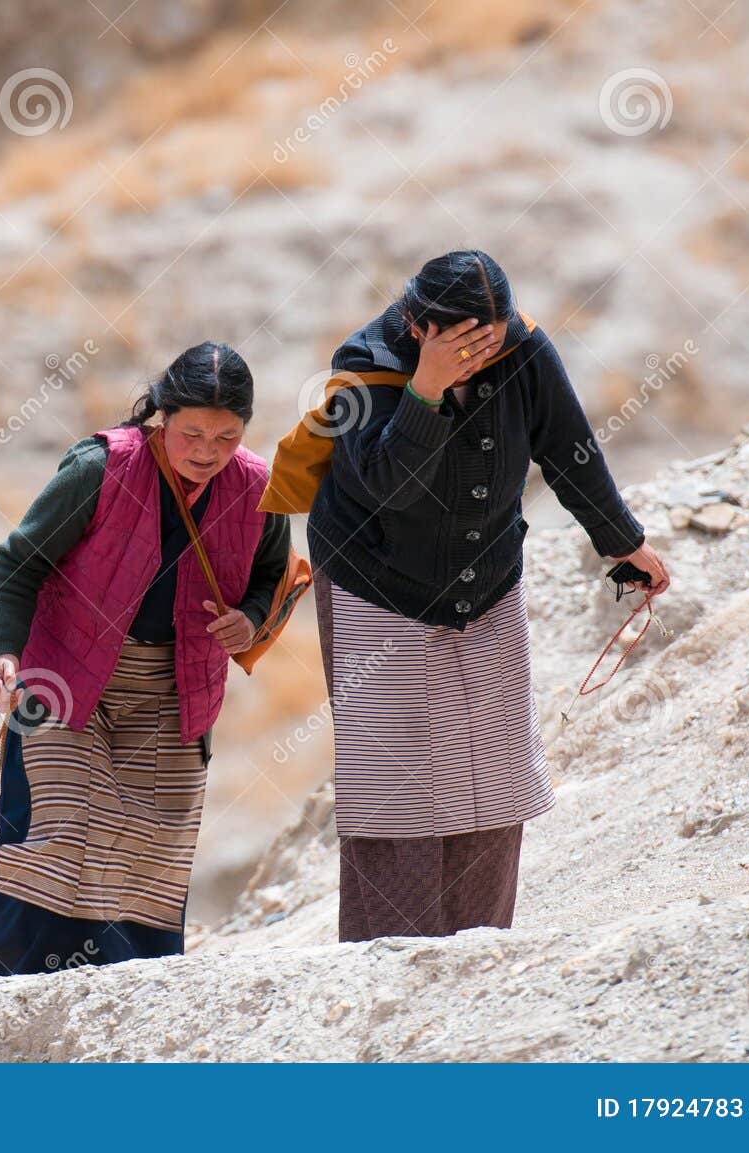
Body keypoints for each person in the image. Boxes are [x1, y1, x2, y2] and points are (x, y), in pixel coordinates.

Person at [295, 249, 671, 942]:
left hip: (488, 578)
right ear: (417, 326)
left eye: (489, 341)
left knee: (493, 776)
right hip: (376, 588)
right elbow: (390, 489)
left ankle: (479, 946)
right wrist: (426, 391)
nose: (480, 356)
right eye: (462, 345)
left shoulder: (524, 350)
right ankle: (389, 953)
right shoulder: (360, 369)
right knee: (401, 791)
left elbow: (570, 449)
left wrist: (623, 541)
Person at [0, 343, 291, 989]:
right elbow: (20, 560)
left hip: (175, 694)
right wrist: (6, 651)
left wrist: (251, 618)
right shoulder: (100, 467)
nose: (207, 450)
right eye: (192, 433)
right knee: (55, 839)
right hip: (66, 680)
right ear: (162, 417)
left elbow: (270, 578)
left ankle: (124, 1004)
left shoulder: (256, 486)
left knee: (151, 860)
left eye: (226, 436)